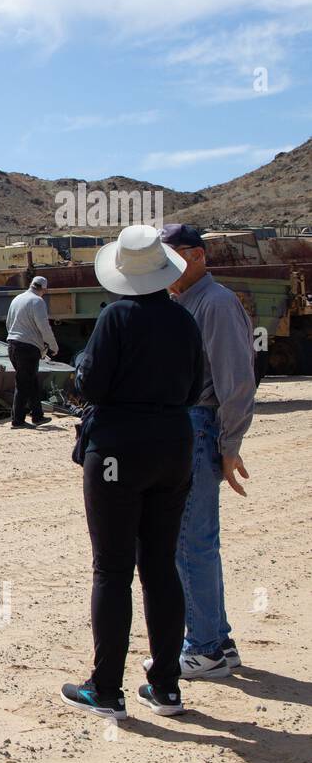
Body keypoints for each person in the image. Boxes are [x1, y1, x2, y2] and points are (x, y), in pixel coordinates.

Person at [61, 224, 203, 719]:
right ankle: (166, 686)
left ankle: (105, 689)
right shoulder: (184, 321)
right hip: (174, 445)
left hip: (119, 448)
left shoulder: (116, 318)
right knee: (160, 565)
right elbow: (193, 390)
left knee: (113, 569)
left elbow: (92, 386)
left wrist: (82, 368)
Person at [148, 224, 256, 680]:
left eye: (168, 259)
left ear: (194, 256)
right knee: (193, 541)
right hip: (189, 425)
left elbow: (236, 381)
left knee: (190, 542)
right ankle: (217, 641)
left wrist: (229, 446)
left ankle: (207, 647)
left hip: (199, 425)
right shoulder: (188, 302)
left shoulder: (213, 304)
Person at [5, 276, 59, 429]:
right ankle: (17, 420)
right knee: (23, 383)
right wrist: (54, 346)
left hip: (13, 345)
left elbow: (8, 323)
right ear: (43, 289)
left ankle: (37, 415)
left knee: (32, 381)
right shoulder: (37, 301)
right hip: (28, 348)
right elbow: (44, 327)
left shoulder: (17, 299)